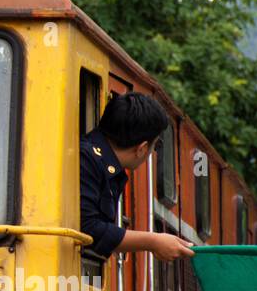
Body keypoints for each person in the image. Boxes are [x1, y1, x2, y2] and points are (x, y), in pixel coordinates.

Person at [80, 91, 195, 262]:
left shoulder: (99, 161)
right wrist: (153, 241)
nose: (151, 153)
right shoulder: (86, 159)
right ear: (141, 148)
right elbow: (86, 228)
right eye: (154, 146)